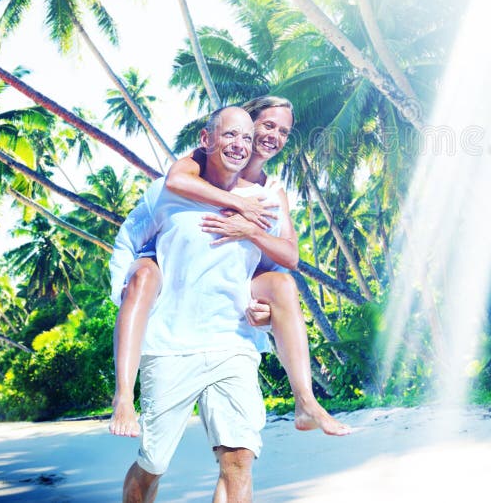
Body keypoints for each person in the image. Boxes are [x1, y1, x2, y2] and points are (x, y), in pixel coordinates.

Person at [109, 96, 350, 439]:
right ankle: (123, 397)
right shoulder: (192, 168)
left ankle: (306, 402)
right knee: (145, 275)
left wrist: (249, 232)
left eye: (283, 131)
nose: (273, 137)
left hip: (229, 308)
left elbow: (288, 258)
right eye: (267, 126)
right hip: (165, 275)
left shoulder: (271, 191)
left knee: (283, 287)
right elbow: (172, 185)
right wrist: (238, 203)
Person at [110, 106, 293, 503]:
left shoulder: (262, 202)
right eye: (229, 135)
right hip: (171, 346)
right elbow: (127, 245)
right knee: (153, 464)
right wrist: (128, 291)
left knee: (240, 458)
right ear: (206, 140)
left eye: (247, 137)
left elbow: (273, 267)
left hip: (233, 344)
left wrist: (262, 312)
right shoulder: (168, 192)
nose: (240, 145)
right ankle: (123, 400)